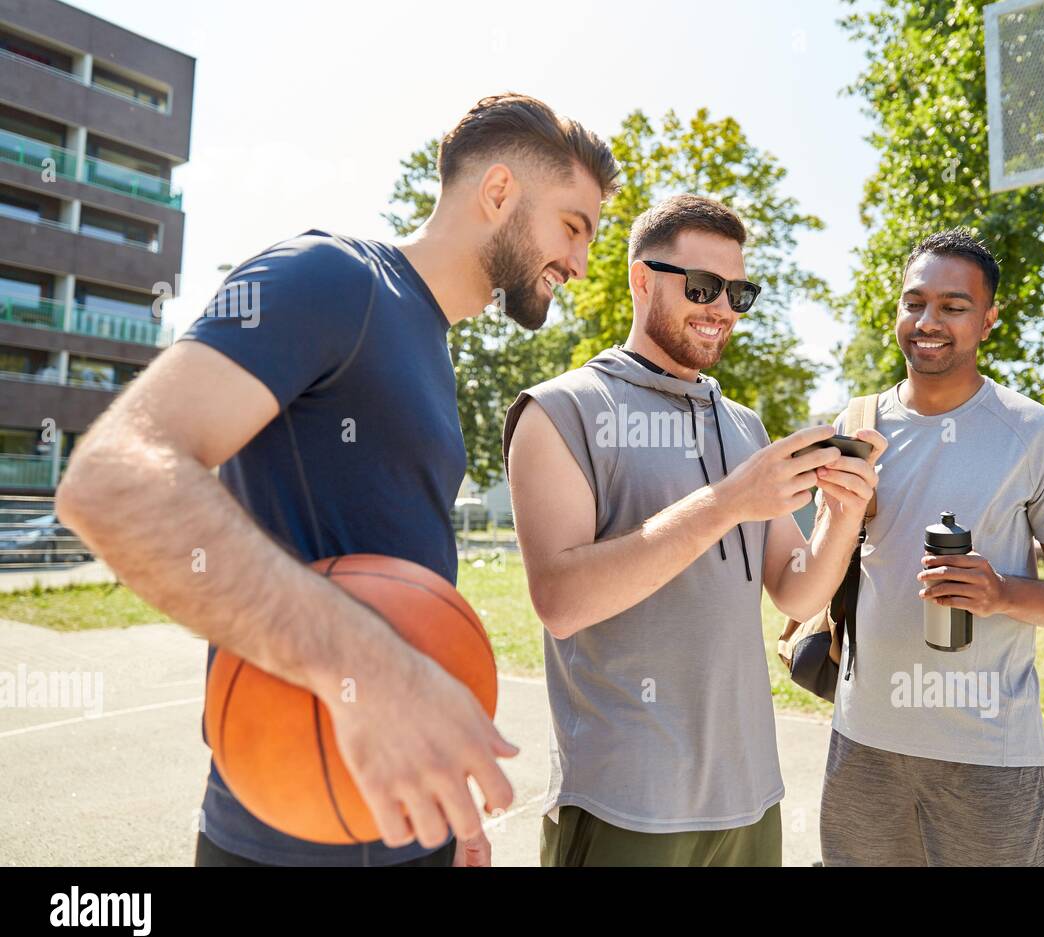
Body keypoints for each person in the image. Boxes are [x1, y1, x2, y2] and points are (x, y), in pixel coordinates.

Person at [54, 93, 620, 867]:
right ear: (498, 193)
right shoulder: (335, 279)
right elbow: (115, 482)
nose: (582, 263)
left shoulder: (427, 341)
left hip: (406, 822)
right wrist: (370, 667)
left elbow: (401, 578)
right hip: (283, 834)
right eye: (574, 226)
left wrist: (448, 806)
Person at [503, 194, 885, 866]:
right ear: (641, 279)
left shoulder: (745, 427)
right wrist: (729, 501)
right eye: (703, 288)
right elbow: (560, 603)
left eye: (740, 292)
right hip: (625, 805)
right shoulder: (560, 409)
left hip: (750, 799)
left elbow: (796, 595)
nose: (723, 310)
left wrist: (844, 514)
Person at [818, 228, 1044, 867]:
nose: (928, 321)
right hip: (863, 743)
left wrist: (1002, 592)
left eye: (953, 306)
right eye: (914, 302)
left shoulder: (1036, 434)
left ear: (988, 319)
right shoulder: (857, 426)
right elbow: (826, 564)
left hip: (988, 755)